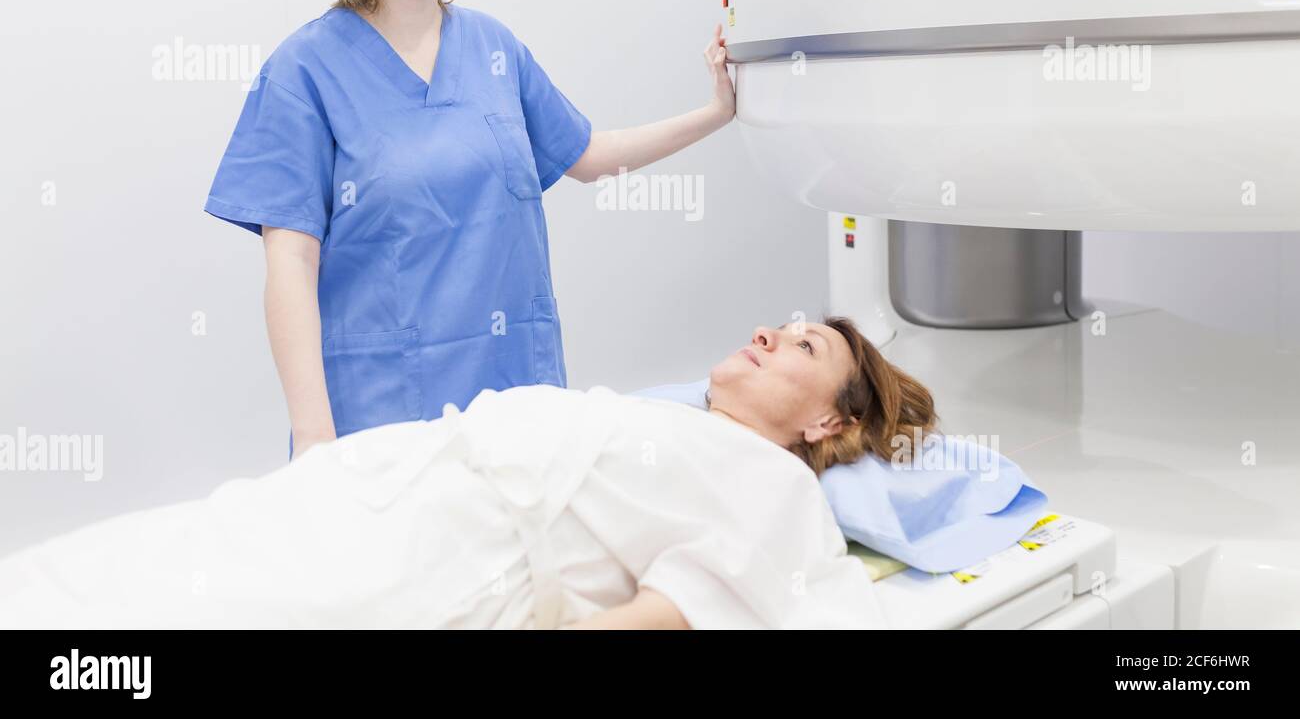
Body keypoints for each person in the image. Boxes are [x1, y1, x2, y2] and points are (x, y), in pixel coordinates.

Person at [203, 0, 737, 460]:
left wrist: (716, 112)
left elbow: (589, 156)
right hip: (379, 418)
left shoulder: (493, 50)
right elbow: (290, 263)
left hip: (516, 399)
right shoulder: (304, 71)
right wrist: (317, 442)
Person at [0, 317, 939, 629]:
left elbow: (670, 613)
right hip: (387, 479)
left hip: (452, 546)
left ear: (827, 419)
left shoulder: (772, 486)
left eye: (804, 344)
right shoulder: (666, 418)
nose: (768, 332)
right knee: (172, 548)